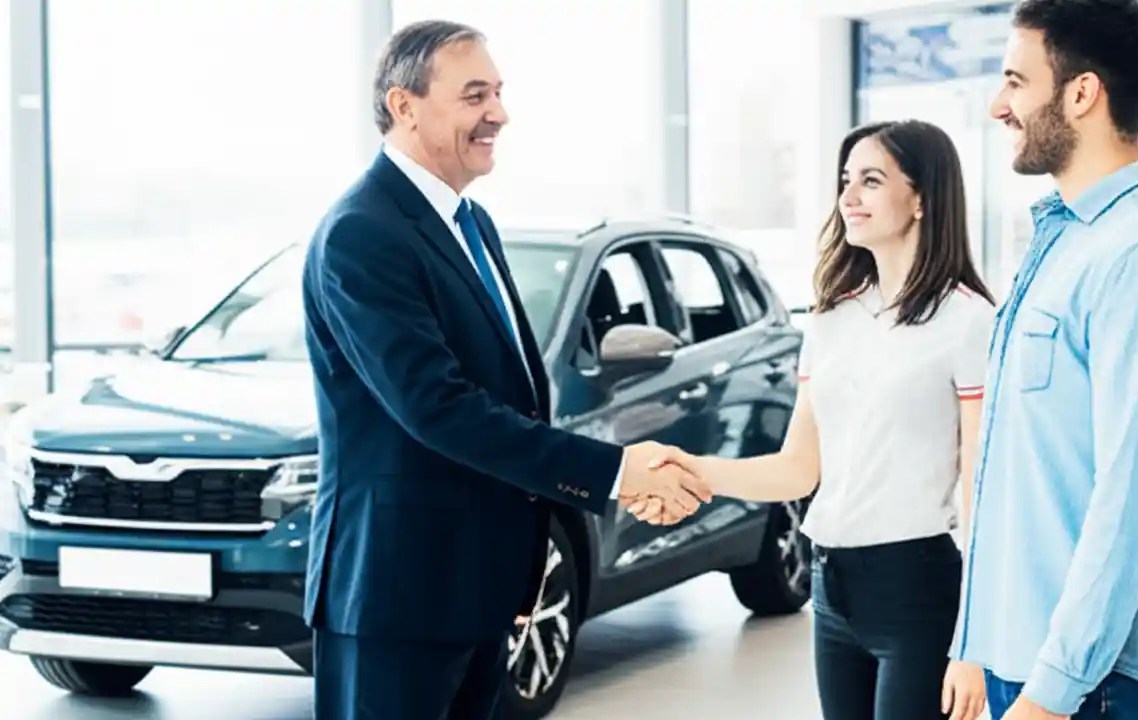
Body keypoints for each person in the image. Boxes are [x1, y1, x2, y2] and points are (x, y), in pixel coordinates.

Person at [300, 20, 709, 720]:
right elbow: (439, 408)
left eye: (497, 92)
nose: (499, 113)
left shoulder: (472, 224)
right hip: (397, 596)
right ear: (405, 107)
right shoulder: (363, 232)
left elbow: (512, 396)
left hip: (476, 590)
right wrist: (616, 472)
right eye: (474, 95)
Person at [630, 119, 994, 720]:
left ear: (924, 197)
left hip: (918, 589)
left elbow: (982, 489)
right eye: (846, 181)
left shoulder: (969, 321)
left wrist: (977, 641)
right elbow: (799, 471)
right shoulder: (829, 320)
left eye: (871, 181)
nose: (848, 197)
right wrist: (694, 469)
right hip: (832, 586)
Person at [947, 1, 1138, 718]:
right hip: (1026, 663)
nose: (996, 105)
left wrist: (1050, 696)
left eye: (1014, 80)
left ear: (1081, 93)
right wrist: (975, 643)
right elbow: (1021, 477)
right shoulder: (1063, 242)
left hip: (1095, 686)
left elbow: (1128, 504)